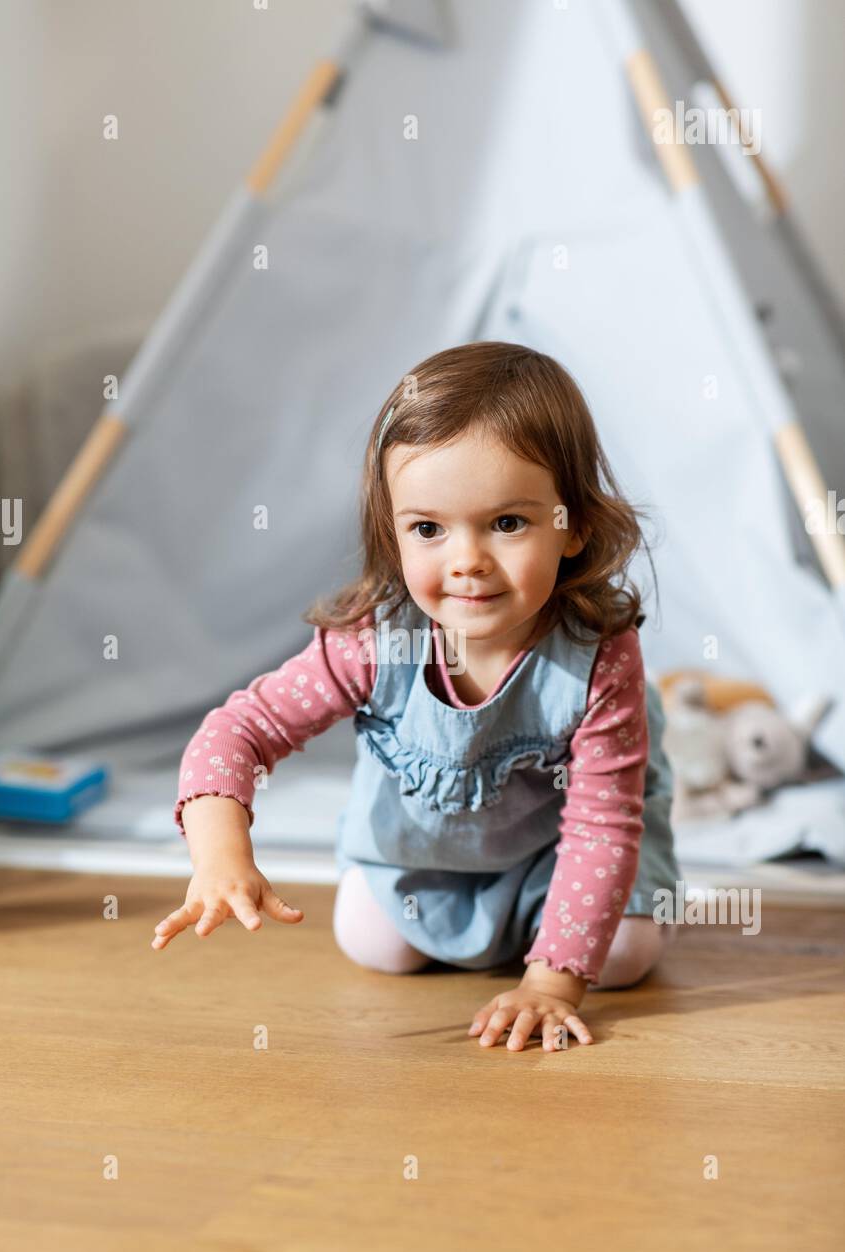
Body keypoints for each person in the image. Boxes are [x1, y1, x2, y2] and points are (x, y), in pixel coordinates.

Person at [154, 341, 681, 1051]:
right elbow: (238, 733)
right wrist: (220, 858)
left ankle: (541, 932)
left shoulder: (598, 655)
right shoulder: (375, 642)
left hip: (556, 854)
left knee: (622, 955)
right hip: (428, 860)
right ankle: (495, 926)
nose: (466, 560)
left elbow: (602, 827)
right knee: (374, 944)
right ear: (393, 532)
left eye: (507, 523)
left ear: (574, 524)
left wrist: (551, 984)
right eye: (429, 529)